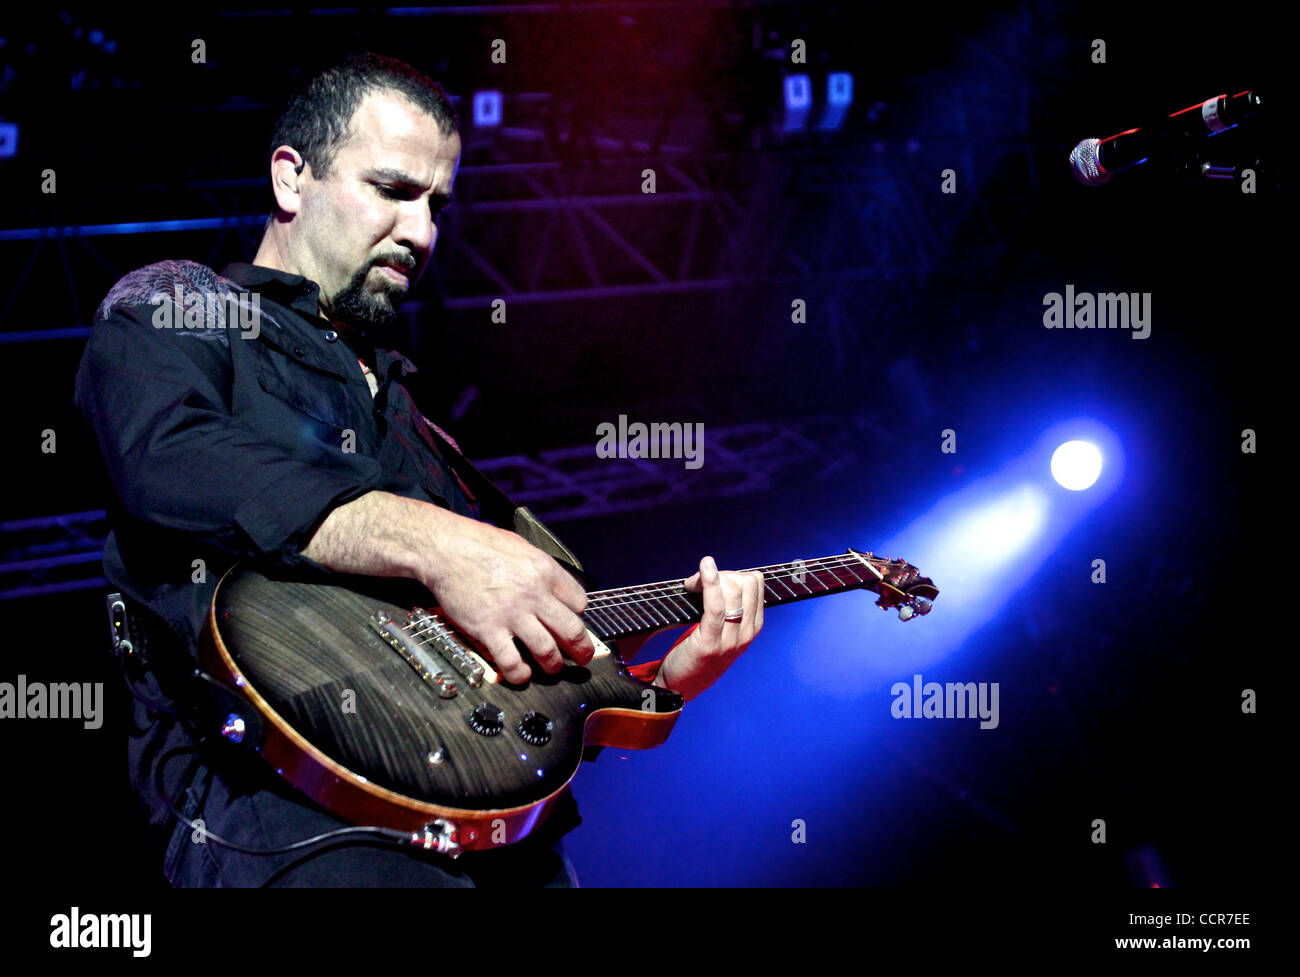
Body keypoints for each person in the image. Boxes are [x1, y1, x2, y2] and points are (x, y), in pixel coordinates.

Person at [74, 53, 765, 887]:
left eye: (437, 203)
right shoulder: (182, 310)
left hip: (493, 841)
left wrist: (658, 683)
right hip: (283, 823)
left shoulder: (418, 424)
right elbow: (168, 457)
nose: (422, 231)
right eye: (394, 191)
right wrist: (436, 543)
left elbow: (504, 697)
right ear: (292, 179)